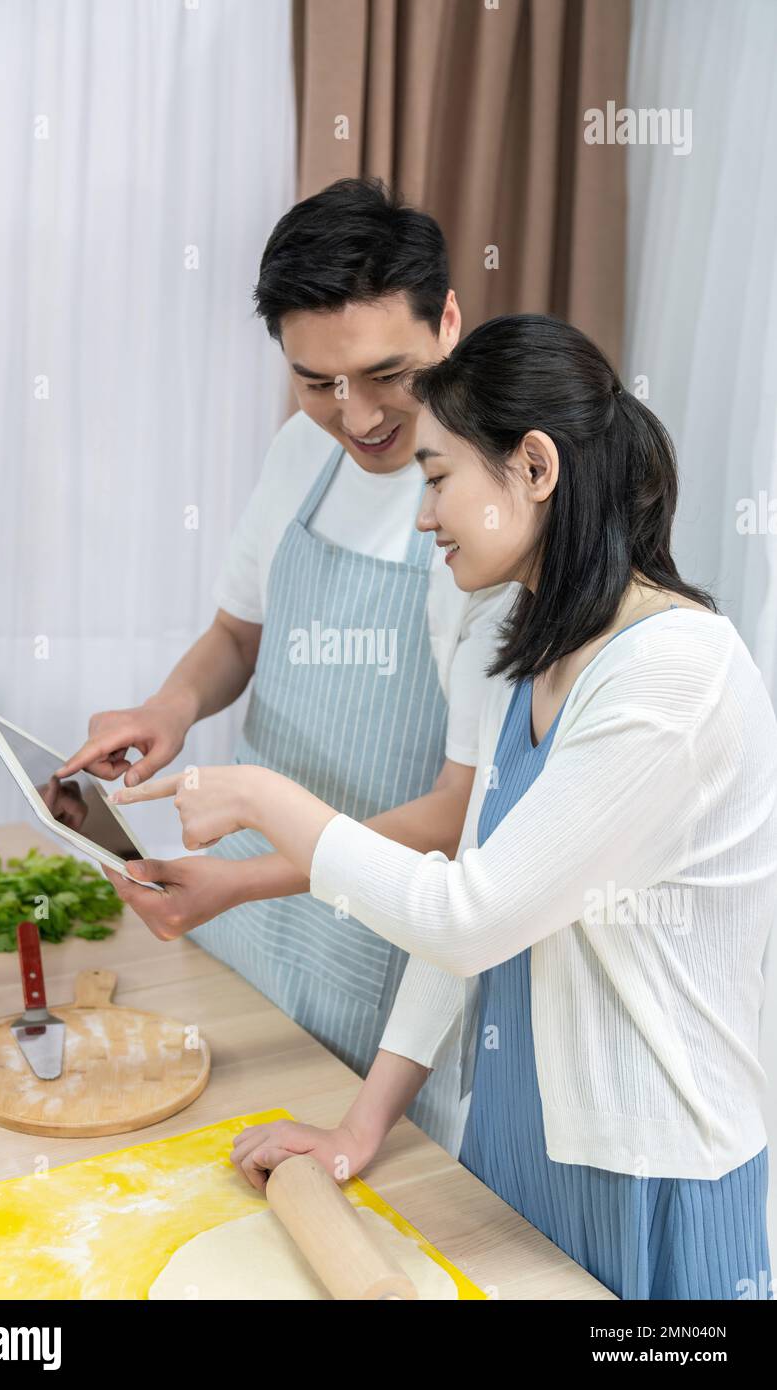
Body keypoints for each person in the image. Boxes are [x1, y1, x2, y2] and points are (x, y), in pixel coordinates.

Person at [111, 313, 777, 1301]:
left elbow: (468, 922)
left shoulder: (671, 677)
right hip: (521, 1137)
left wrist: (262, 797)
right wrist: (361, 1127)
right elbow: (462, 888)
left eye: (437, 478)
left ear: (536, 468)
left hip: (656, 1165)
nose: (426, 518)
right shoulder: (536, 650)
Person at [58, 178, 512, 1152]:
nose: (356, 418)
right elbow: (238, 635)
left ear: (451, 321)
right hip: (250, 922)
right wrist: (169, 706)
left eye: (385, 374)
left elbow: (461, 812)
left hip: (384, 935)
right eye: (317, 383)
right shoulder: (295, 457)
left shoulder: (494, 527)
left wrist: (252, 873)